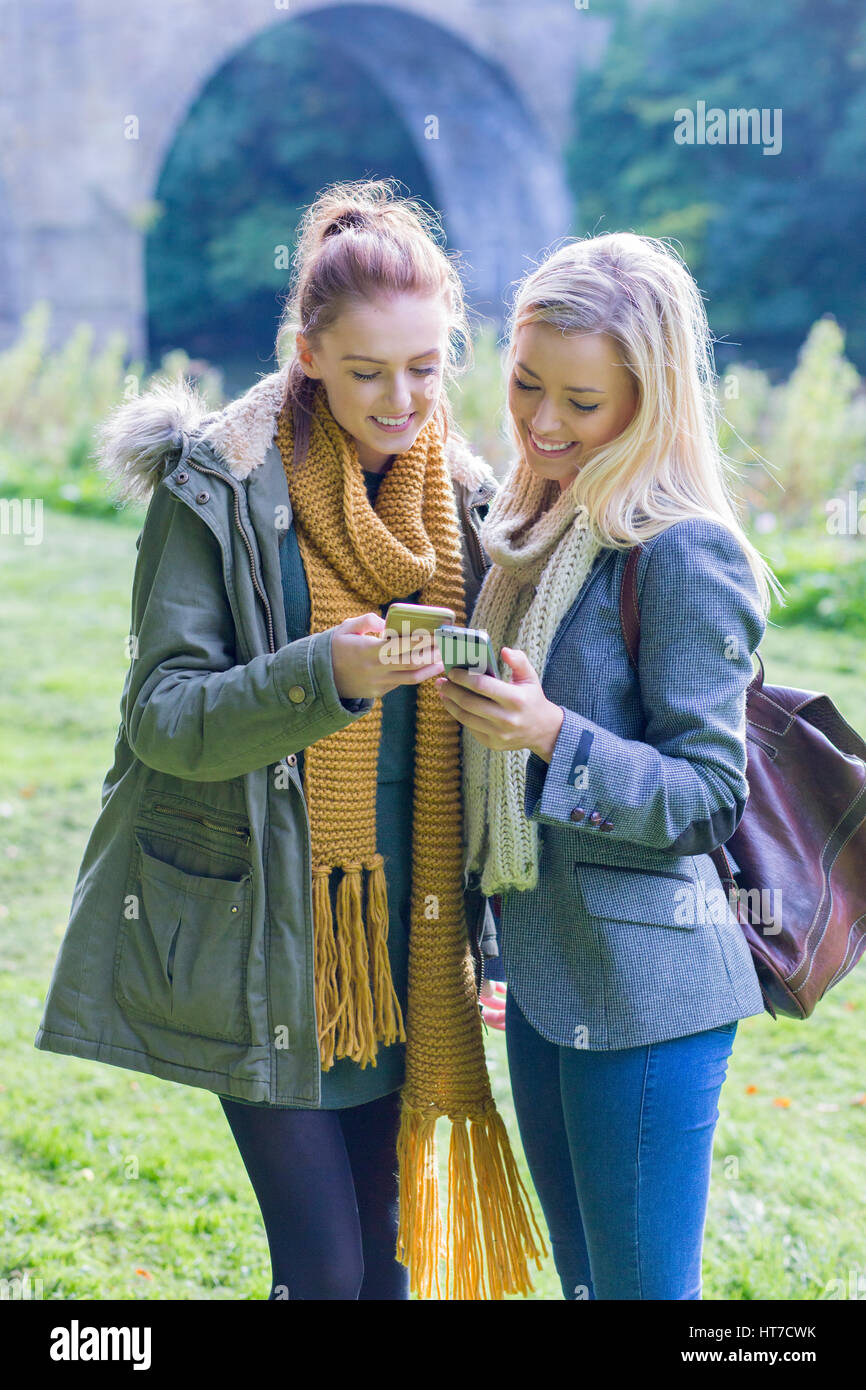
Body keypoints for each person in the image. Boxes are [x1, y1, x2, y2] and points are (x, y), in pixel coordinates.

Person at [34, 178, 545, 1300]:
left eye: (424, 366)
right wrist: (329, 674)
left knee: (393, 1270)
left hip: (412, 943)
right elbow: (163, 719)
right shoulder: (216, 484)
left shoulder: (467, 500)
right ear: (304, 352)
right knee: (319, 1269)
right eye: (366, 372)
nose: (402, 397)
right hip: (263, 930)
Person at [436, 231, 785, 1300]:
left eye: (580, 403)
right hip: (547, 975)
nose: (542, 423)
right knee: (587, 1286)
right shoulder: (527, 522)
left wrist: (546, 736)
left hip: (647, 996)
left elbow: (706, 797)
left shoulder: (681, 550)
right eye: (525, 384)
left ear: (651, 398)